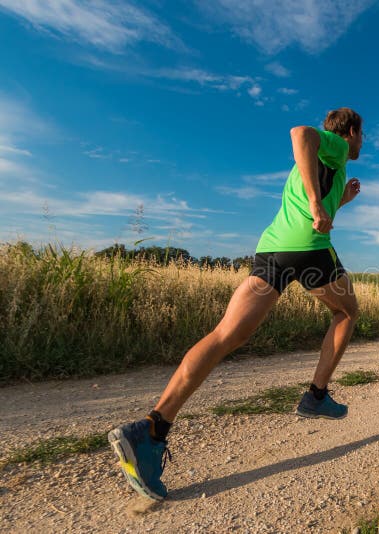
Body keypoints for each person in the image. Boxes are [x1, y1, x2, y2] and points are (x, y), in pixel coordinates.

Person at [108, 107, 365, 500]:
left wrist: (336, 202)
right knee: (347, 311)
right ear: (351, 131)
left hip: (273, 250)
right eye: (362, 135)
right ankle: (315, 396)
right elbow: (301, 134)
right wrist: (318, 204)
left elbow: (316, 207)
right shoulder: (335, 147)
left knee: (227, 333)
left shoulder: (329, 166)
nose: (364, 143)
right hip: (309, 252)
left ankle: (152, 428)